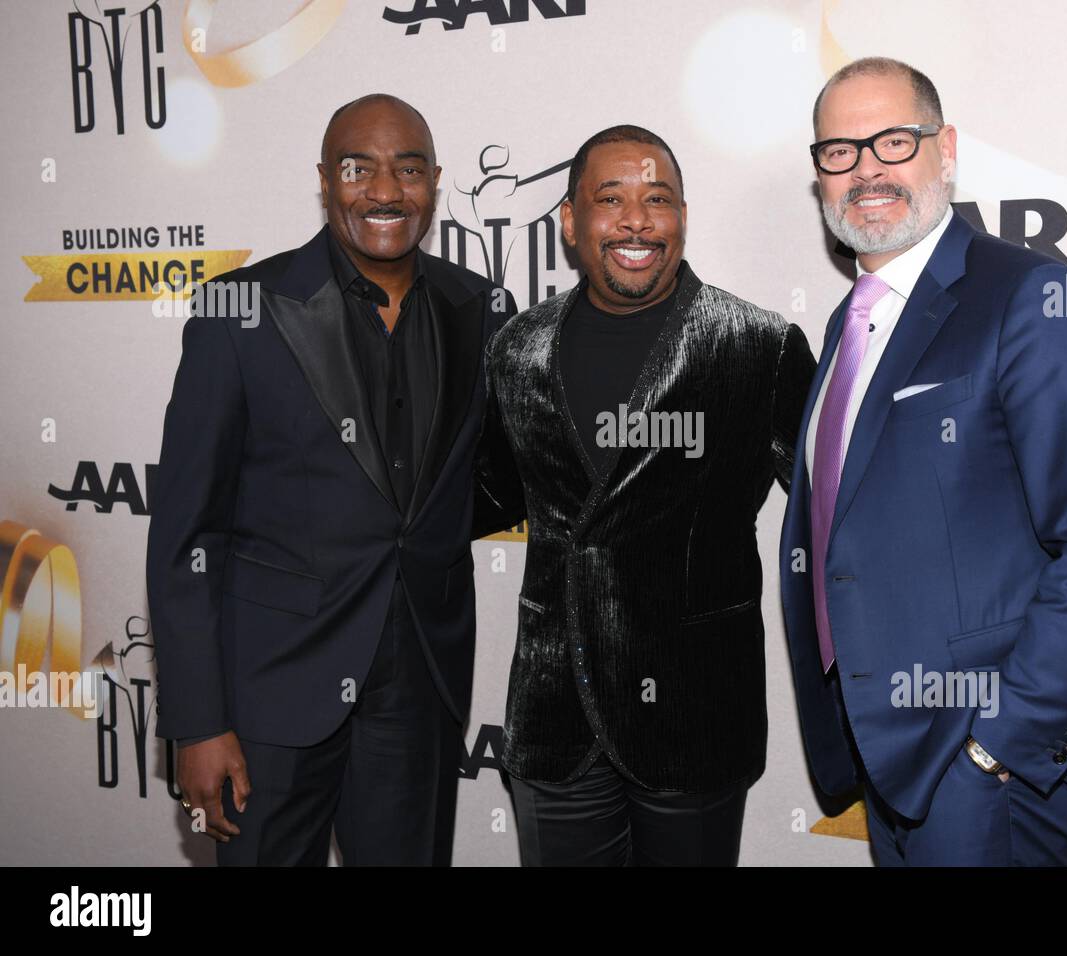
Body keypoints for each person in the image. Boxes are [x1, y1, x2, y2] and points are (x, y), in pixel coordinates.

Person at [780, 57, 1067, 866]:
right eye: (840, 151)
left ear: (947, 149)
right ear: (819, 175)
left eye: (894, 140)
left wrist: (994, 751)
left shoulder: (1029, 297)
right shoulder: (848, 326)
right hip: (889, 760)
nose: (867, 170)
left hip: (995, 779)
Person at [147, 93, 517, 865]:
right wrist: (198, 720)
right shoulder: (239, 311)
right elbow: (188, 535)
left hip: (418, 687)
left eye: (407, 169)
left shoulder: (478, 308)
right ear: (325, 180)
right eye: (358, 169)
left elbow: (490, 479)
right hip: (268, 695)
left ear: (436, 181)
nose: (385, 191)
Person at [472, 124, 816, 866]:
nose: (635, 219)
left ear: (682, 217)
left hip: (693, 718)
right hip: (558, 711)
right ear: (570, 221)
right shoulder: (514, 349)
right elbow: (487, 493)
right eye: (610, 199)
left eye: (657, 199)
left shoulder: (758, 346)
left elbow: (835, 508)